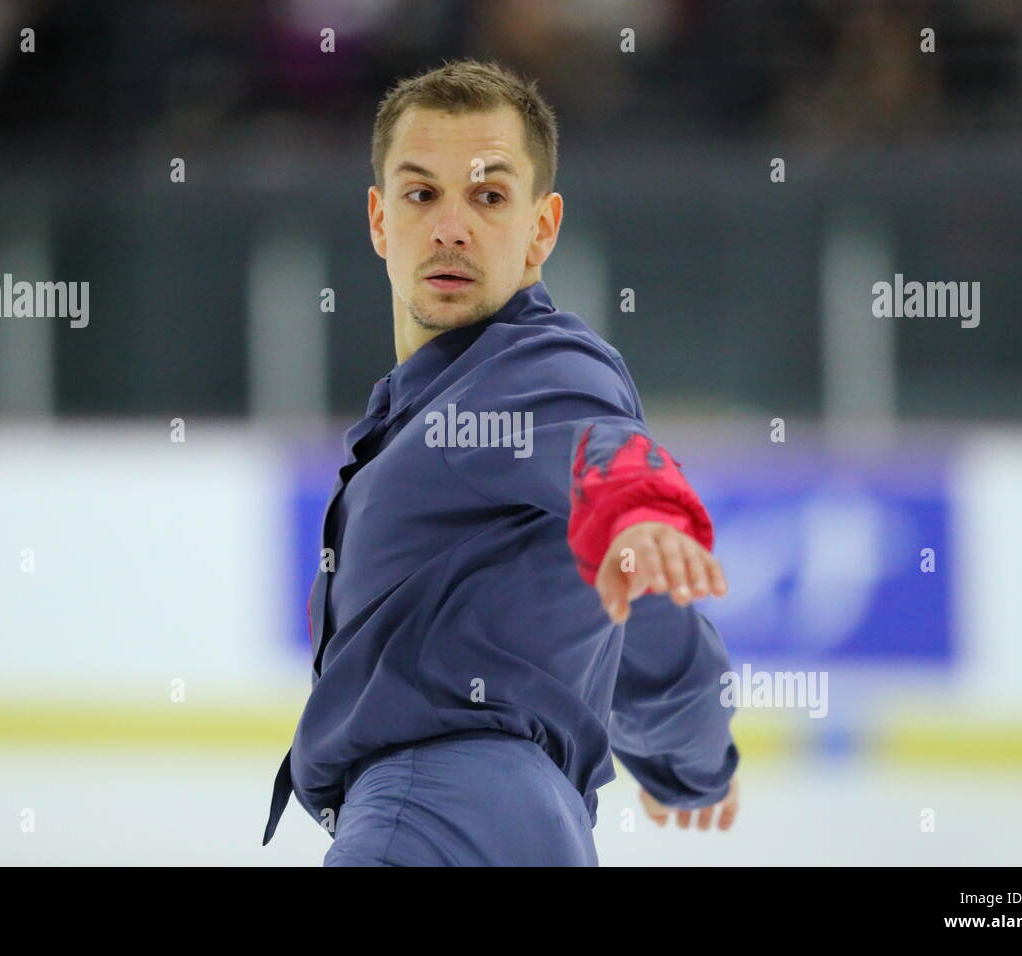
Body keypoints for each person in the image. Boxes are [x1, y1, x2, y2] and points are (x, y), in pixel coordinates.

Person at [263, 58, 739, 866]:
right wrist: (689, 757)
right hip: (537, 827)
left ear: (542, 229)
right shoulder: (417, 410)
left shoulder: (537, 369)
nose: (452, 226)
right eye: (422, 194)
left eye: (488, 196)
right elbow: (648, 613)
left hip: (435, 816)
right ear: (380, 221)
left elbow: (607, 451)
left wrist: (642, 509)